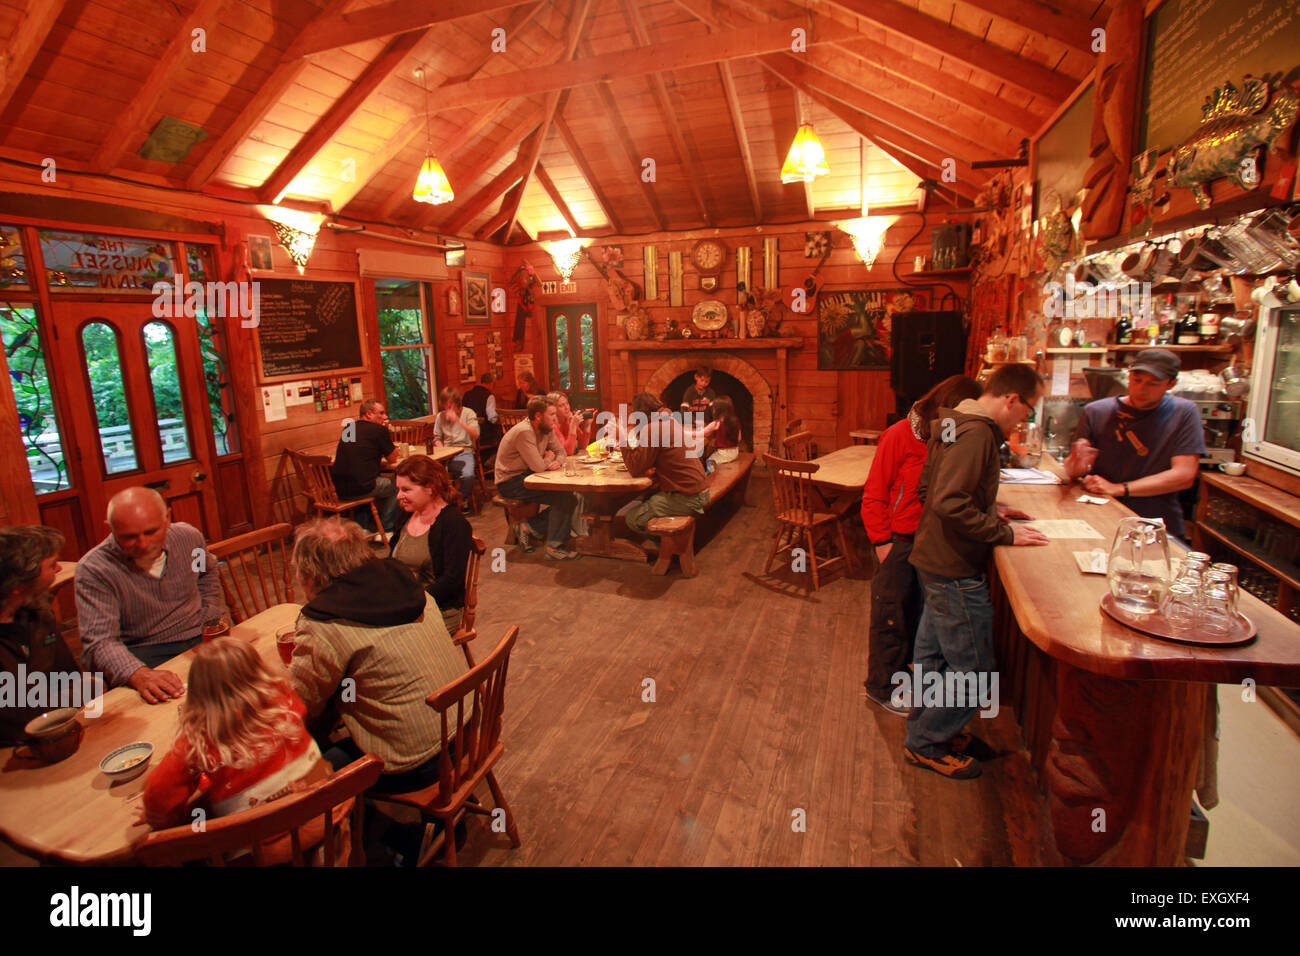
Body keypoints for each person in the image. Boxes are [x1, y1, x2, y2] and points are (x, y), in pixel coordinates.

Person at [904, 364, 1049, 779]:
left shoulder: (952, 421)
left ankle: (926, 732)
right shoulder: (978, 433)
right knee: (977, 671)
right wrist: (1003, 533)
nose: (1025, 420)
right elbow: (949, 502)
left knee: (932, 658)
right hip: (953, 565)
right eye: (1028, 411)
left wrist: (990, 507)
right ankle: (928, 742)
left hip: (932, 557)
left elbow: (928, 491)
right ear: (1011, 399)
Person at [286, 518, 469, 794]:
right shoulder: (407, 584)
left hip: (416, 764)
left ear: (310, 573)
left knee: (292, 775)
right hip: (466, 729)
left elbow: (300, 707)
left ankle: (375, 832)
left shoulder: (324, 624)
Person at [860, 375, 983, 717]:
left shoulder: (949, 435)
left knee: (916, 618)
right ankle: (881, 688)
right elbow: (874, 493)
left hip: (931, 542)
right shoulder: (901, 434)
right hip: (899, 541)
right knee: (891, 616)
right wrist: (883, 543)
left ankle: (906, 681)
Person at [142, 638, 326, 831]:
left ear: (198, 695)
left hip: (264, 849)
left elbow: (158, 795)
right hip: (329, 816)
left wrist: (157, 818)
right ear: (259, 671)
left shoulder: (200, 737)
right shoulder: (285, 696)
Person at [75, 487, 224, 703]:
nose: (143, 544)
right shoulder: (94, 570)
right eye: (129, 537)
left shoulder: (189, 538)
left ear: (168, 518)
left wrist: (210, 611)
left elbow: (206, 570)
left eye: (151, 532)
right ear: (111, 529)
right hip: (144, 655)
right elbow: (100, 643)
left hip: (199, 636)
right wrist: (139, 674)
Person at [1062, 348, 1204, 540]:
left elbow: (1184, 475)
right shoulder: (1096, 411)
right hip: (1100, 517)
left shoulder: (1184, 413)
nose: (1141, 390)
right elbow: (1074, 471)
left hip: (1156, 524)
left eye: (1153, 384)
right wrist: (1075, 465)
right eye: (1136, 380)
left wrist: (1120, 488)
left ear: (1171, 383)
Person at [0, 526, 82, 746]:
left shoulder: (39, 616)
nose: (58, 568)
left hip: (60, 734)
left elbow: (69, 680)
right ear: (19, 585)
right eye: (50, 564)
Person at [391, 455, 473, 636]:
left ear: (430, 488)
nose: (399, 496)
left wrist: (410, 601)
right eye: (398, 489)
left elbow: (451, 581)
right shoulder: (406, 514)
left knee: (388, 640)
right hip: (406, 601)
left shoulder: (454, 524)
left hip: (439, 608)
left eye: (406, 489)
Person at [494, 396, 581, 561]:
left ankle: (528, 527)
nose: (555, 418)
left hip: (528, 476)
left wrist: (554, 460)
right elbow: (539, 467)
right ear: (538, 416)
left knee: (569, 496)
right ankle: (554, 547)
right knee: (563, 497)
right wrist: (548, 460)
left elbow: (562, 452)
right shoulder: (524, 432)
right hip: (510, 481)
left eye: (555, 414)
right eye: (551, 414)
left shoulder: (546, 429)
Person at [620, 391, 710, 536]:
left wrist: (622, 439)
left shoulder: (653, 428)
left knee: (632, 518)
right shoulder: (669, 420)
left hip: (689, 497)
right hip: (700, 489)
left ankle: (669, 548)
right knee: (649, 497)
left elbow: (635, 468)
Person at [330, 398, 400, 531]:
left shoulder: (348, 428)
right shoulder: (379, 430)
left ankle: (362, 528)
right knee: (398, 484)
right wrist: (386, 432)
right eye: (381, 413)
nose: (385, 417)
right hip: (362, 487)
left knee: (365, 481)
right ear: (369, 414)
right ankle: (387, 528)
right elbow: (393, 458)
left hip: (339, 489)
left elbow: (356, 452)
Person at [431, 386, 480, 506]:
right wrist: (440, 447)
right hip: (446, 452)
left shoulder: (468, 413)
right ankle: (441, 503)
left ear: (456, 403)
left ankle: (459, 499)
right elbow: (436, 438)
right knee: (430, 475)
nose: (447, 408)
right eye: (445, 406)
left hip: (464, 450)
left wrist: (458, 420)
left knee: (468, 475)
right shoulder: (440, 416)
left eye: (450, 405)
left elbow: (476, 434)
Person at [549, 391, 593, 457]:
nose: (566, 408)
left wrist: (587, 425)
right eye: (561, 405)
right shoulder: (552, 426)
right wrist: (573, 426)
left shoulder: (568, 420)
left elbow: (583, 445)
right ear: (553, 409)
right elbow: (567, 452)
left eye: (567, 403)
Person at [463, 372, 500, 447]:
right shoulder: (489, 396)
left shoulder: (467, 394)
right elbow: (492, 419)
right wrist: (500, 419)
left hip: (468, 436)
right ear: (492, 383)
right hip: (484, 437)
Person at [703, 395, 742, 466]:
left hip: (723, 454)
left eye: (714, 408)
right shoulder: (736, 421)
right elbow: (739, 439)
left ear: (718, 410)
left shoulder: (717, 423)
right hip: (735, 452)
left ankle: (710, 476)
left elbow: (703, 433)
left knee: (709, 461)